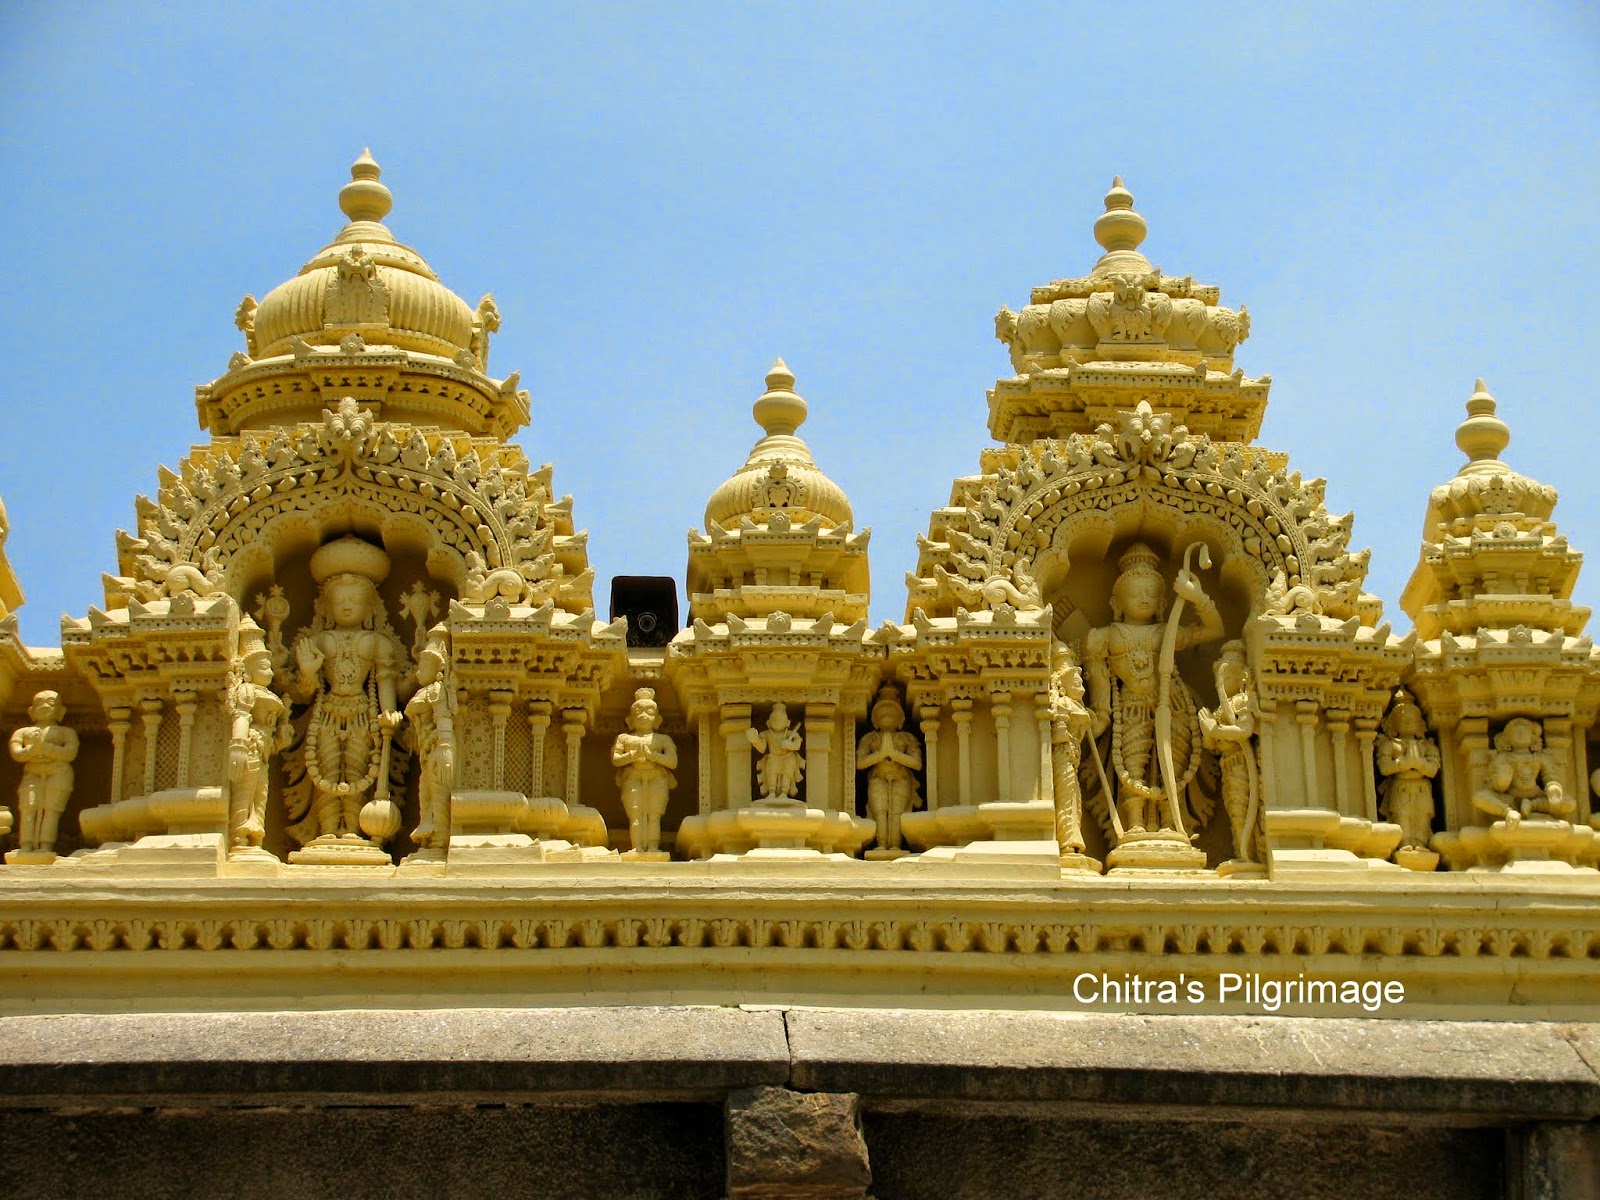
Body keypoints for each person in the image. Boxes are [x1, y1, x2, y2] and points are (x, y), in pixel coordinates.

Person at [1083, 542, 1222, 835]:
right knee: (1132, 762)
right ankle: (1134, 824)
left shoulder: (1167, 631)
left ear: (1162, 602)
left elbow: (1214, 631)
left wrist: (1198, 598)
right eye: (1134, 594)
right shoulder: (1104, 637)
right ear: (1117, 602)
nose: (1143, 599)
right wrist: (1100, 714)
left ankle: (1171, 823)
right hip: (1129, 705)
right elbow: (1098, 681)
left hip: (1173, 705)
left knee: (1173, 760)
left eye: (1151, 594)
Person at [284, 537, 405, 846]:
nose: (347, 606)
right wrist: (308, 674)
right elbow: (303, 693)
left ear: (369, 607)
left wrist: (389, 711)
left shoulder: (378, 642)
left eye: (354, 601)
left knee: (357, 767)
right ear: (327, 606)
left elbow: (385, 680)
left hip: (363, 714)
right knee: (325, 769)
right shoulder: (322, 640)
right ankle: (326, 832)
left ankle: (353, 830)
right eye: (340, 601)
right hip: (326, 711)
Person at [227, 618, 292, 852]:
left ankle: (254, 834)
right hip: (250, 745)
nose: (270, 671)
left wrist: (281, 739)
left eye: (270, 666)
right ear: (249, 670)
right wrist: (238, 745)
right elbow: (241, 716)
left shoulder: (268, 695)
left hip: (262, 748)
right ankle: (238, 836)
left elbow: (273, 736)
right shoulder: (246, 691)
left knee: (261, 792)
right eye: (264, 667)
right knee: (246, 790)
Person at [405, 624, 455, 855]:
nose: (418, 672)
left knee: (438, 795)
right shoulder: (424, 691)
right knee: (425, 794)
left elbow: (443, 718)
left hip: (438, 749)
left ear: (437, 669)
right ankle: (431, 835)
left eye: (423, 667)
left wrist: (445, 747)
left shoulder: (436, 691)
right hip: (427, 751)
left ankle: (440, 838)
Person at [8, 690, 77, 855]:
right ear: (31, 710)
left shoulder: (66, 732)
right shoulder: (23, 732)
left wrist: (45, 748)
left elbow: (70, 753)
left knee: (51, 809)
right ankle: (25, 846)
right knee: (28, 808)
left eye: (51, 703)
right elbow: (17, 753)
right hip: (32, 771)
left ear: (61, 711)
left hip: (58, 771)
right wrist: (32, 749)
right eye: (40, 703)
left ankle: (45, 846)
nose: (45, 706)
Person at [611, 688, 678, 854]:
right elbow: (616, 759)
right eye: (638, 711)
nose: (643, 716)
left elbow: (672, 762)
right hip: (632, 777)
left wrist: (652, 756)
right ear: (630, 719)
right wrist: (634, 755)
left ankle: (653, 847)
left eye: (649, 712)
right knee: (635, 814)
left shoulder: (663, 739)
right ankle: (637, 847)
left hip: (657, 778)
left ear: (657, 719)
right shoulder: (624, 738)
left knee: (654, 815)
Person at [856, 686, 922, 852]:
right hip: (877, 777)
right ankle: (880, 844)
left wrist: (894, 754)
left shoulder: (907, 738)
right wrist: (880, 755)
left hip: (901, 777)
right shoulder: (869, 738)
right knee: (879, 810)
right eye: (882, 713)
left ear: (900, 720)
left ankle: (895, 845)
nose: (886, 716)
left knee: (896, 813)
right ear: (874, 721)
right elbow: (860, 763)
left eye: (891, 713)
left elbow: (917, 763)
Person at [1375, 688, 1439, 850]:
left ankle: (1421, 843)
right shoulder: (1390, 745)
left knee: (1421, 817)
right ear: (1393, 724)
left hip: (1421, 788)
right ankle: (1404, 844)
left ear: (1420, 724)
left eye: (1413, 719)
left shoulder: (1426, 745)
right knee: (1402, 815)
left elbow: (1433, 770)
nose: (1409, 723)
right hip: (1400, 786)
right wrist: (1403, 762)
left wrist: (1418, 763)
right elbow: (1384, 768)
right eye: (1403, 720)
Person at [748, 702, 804, 802]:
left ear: (788, 722)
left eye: (781, 720)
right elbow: (762, 749)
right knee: (771, 773)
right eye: (775, 719)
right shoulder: (766, 734)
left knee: (787, 773)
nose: (778, 721)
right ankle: (772, 792)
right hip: (773, 757)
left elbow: (797, 745)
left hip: (788, 757)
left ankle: (784, 793)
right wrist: (755, 740)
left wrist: (789, 745)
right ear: (768, 723)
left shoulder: (791, 734)